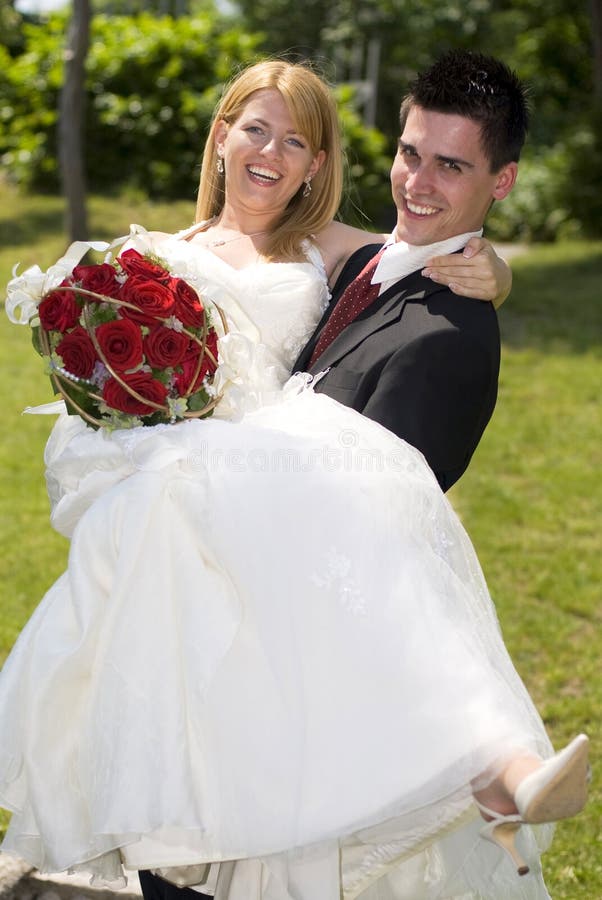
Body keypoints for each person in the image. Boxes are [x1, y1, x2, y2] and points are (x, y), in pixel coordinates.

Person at [0, 58, 589, 900]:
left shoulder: (330, 251)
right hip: (193, 494)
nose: (419, 180)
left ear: (318, 164)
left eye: (295, 141)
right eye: (411, 154)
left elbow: (422, 263)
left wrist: (497, 270)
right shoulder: (157, 258)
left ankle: (487, 758)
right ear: (221, 137)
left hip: (266, 496)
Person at [295, 49, 524, 491]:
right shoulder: (361, 263)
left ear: (502, 180)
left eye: (450, 166)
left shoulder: (451, 340)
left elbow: (373, 507)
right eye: (410, 153)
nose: (417, 184)